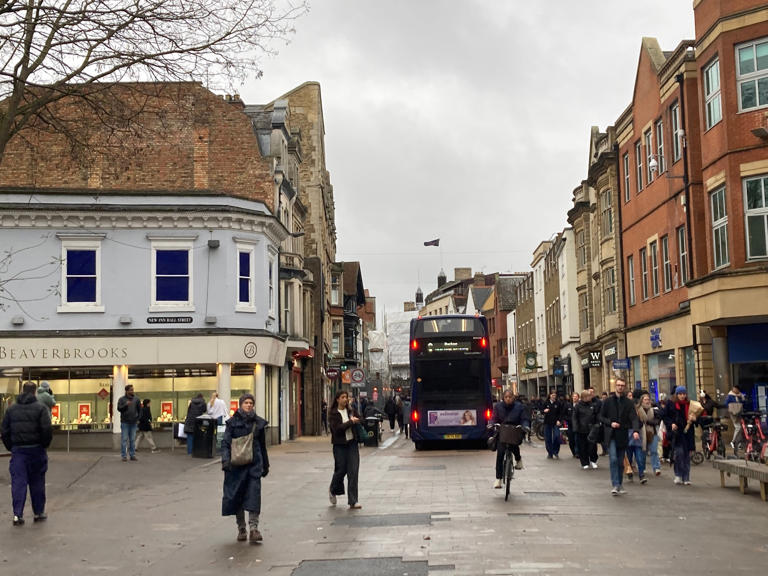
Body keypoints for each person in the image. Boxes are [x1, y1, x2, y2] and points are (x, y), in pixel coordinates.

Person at [1, 381, 52, 526]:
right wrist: (44, 445)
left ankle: (18, 514)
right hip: (36, 449)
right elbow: (46, 430)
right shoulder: (40, 408)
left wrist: (11, 447)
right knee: (37, 482)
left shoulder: (12, 410)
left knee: (18, 483)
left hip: (18, 451)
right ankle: (38, 512)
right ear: (35, 391)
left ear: (22, 391)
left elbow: (4, 431)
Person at [221, 393, 269, 544]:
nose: (248, 405)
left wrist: (265, 464)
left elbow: (262, 446)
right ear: (240, 404)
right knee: (238, 497)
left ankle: (254, 528)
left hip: (254, 465)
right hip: (236, 466)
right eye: (246, 403)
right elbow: (225, 443)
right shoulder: (232, 423)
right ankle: (241, 528)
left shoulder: (258, 423)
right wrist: (226, 461)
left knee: (254, 496)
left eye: (251, 403)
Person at [599, 377, 640, 496]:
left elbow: (633, 418)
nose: (620, 387)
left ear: (625, 386)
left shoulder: (628, 403)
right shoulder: (608, 401)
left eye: (622, 385)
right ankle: (615, 484)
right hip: (611, 434)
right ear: (615, 386)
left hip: (623, 434)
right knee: (613, 459)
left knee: (621, 462)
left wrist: (635, 430)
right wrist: (610, 423)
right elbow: (601, 416)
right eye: (618, 385)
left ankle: (620, 484)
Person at [328, 390, 362, 510]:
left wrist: (356, 419)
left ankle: (353, 500)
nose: (345, 399)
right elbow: (337, 429)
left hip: (352, 444)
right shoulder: (333, 413)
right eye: (343, 397)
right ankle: (333, 488)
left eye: (346, 397)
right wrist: (350, 422)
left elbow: (360, 419)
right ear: (337, 399)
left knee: (353, 471)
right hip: (340, 445)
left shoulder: (350, 411)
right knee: (341, 470)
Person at [491, 389, 530, 488]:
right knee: (500, 454)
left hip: (514, 430)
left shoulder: (519, 407)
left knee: (514, 446)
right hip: (503, 431)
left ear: (513, 397)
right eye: (506, 397)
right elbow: (493, 418)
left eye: (510, 397)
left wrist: (525, 426)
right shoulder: (498, 407)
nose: (508, 399)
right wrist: (491, 424)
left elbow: (524, 418)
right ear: (503, 398)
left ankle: (518, 459)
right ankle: (498, 479)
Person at [662, 386, 696, 485]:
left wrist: (694, 419)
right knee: (679, 454)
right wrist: (671, 424)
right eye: (680, 394)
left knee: (686, 456)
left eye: (684, 394)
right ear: (676, 394)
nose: (682, 396)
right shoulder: (671, 404)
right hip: (677, 433)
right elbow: (664, 416)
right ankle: (678, 474)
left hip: (687, 433)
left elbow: (698, 418)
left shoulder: (689, 404)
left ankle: (686, 477)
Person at [573, 390, 598, 470]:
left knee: (592, 446)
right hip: (581, 429)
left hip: (591, 429)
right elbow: (575, 417)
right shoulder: (578, 406)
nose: (590, 397)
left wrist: (597, 424)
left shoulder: (593, 405)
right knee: (582, 447)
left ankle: (593, 460)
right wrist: (576, 427)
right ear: (584, 397)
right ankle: (584, 462)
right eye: (588, 396)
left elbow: (596, 415)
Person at [117, 384, 141, 462]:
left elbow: (140, 410)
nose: (132, 391)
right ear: (127, 391)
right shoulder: (122, 399)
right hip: (125, 422)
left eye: (133, 390)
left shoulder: (136, 399)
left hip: (133, 422)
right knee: (124, 439)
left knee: (132, 439)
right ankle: (124, 456)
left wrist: (138, 419)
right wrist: (125, 405)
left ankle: (132, 455)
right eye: (131, 390)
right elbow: (119, 409)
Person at [542, 391, 563, 459]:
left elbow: (560, 413)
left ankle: (555, 451)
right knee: (548, 438)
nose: (554, 396)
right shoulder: (546, 402)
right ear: (550, 395)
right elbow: (541, 409)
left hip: (555, 422)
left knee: (557, 436)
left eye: (555, 395)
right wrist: (544, 411)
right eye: (552, 395)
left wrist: (559, 420)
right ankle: (550, 453)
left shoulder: (558, 403)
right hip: (547, 422)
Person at [725, 385, 745, 453]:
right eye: (734, 389)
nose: (734, 390)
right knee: (738, 427)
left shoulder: (740, 396)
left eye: (736, 389)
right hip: (733, 413)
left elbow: (743, 402)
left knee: (741, 428)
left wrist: (742, 398)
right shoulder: (730, 395)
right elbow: (726, 403)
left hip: (739, 412)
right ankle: (733, 441)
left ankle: (738, 443)